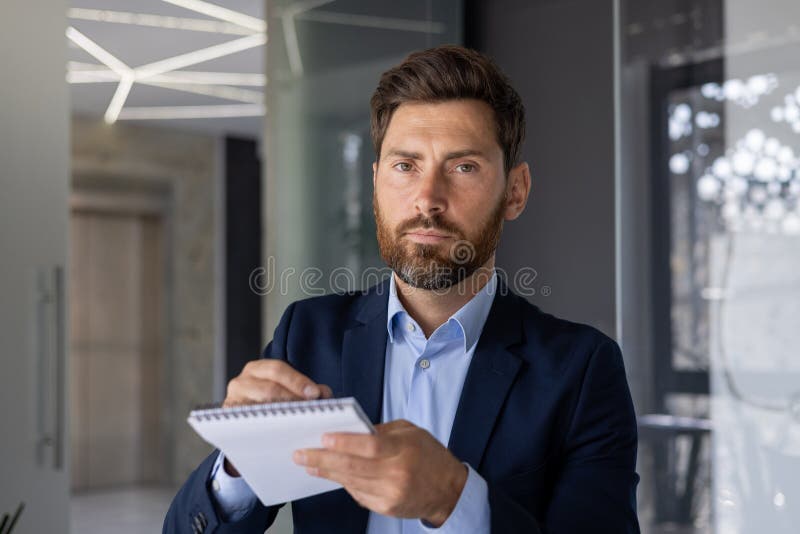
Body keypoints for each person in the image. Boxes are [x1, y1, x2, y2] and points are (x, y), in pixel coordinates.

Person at [163, 45, 640, 534]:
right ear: (375, 185)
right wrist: (241, 464)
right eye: (405, 165)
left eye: (463, 166)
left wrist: (456, 500)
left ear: (515, 192)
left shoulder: (582, 370)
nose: (428, 198)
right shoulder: (307, 336)